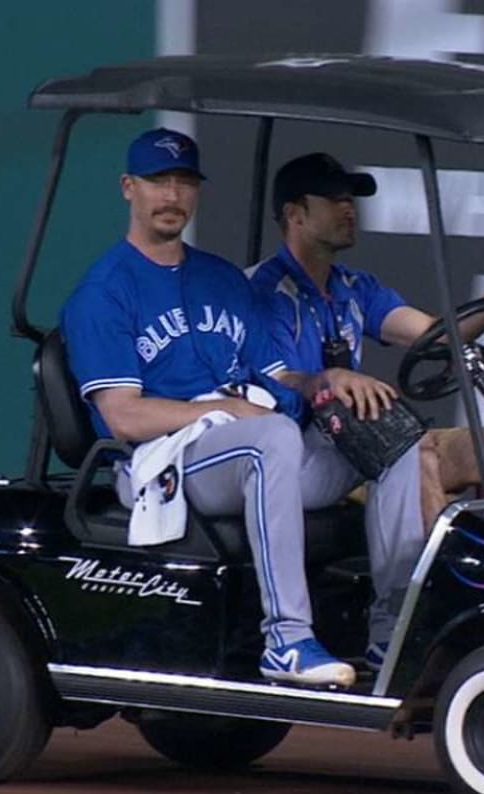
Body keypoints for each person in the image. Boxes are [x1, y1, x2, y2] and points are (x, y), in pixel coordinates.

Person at [61, 129, 424, 687]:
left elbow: (275, 377)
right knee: (271, 438)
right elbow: (123, 417)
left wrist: (322, 384)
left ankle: (390, 634)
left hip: (253, 444)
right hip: (164, 463)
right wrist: (227, 414)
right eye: (159, 182)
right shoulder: (104, 291)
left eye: (185, 182)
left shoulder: (221, 278)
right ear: (128, 188)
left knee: (392, 436)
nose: (173, 195)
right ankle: (287, 640)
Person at [249, 152, 484, 531]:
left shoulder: (355, 287)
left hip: (361, 439)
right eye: (335, 200)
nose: (349, 210)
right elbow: (277, 382)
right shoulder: (262, 291)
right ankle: (430, 583)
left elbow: (439, 335)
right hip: (303, 454)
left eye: (351, 200)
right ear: (295, 214)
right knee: (413, 454)